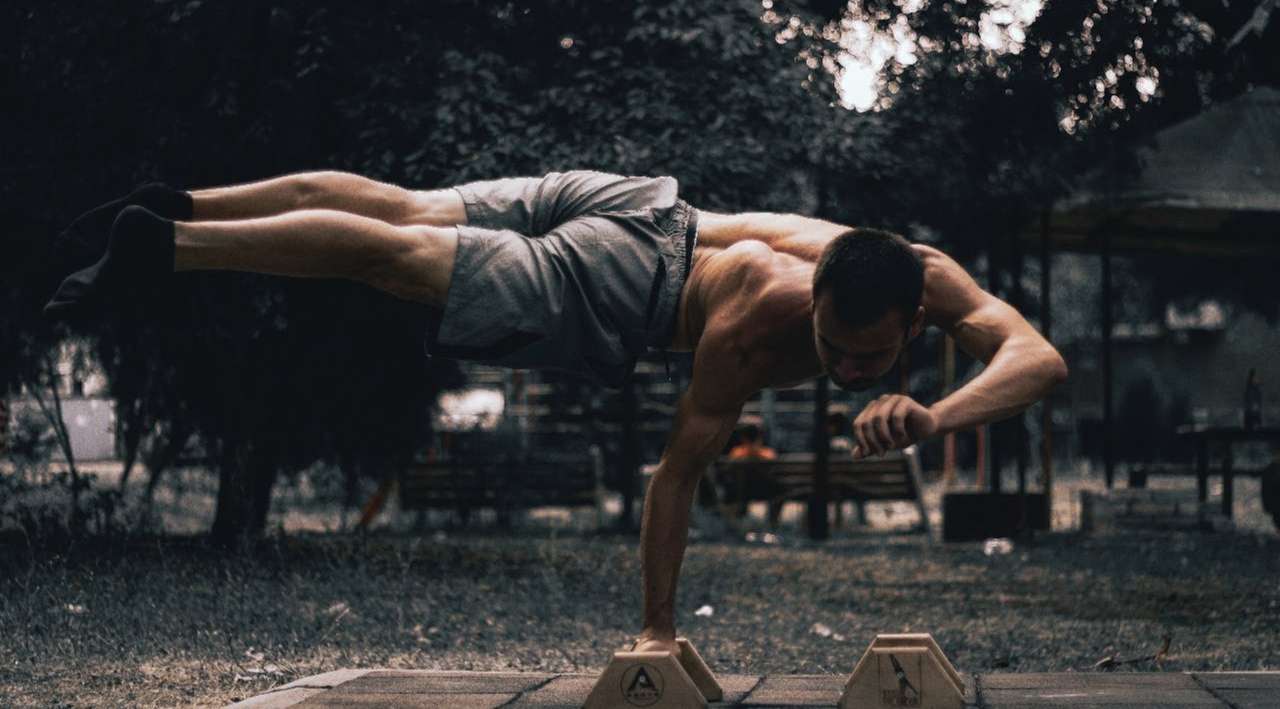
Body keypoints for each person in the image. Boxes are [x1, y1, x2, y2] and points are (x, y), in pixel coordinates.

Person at [45, 169, 1068, 659]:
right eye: (834, 349)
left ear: (914, 312)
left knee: (402, 203)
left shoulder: (923, 274)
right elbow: (676, 474)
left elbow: (1035, 355)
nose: (848, 370)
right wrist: (658, 632)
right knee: (393, 261)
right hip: (617, 274)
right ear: (813, 306)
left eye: (869, 356)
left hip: (634, 201)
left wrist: (932, 415)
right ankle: (174, 248)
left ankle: (184, 203)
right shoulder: (756, 328)